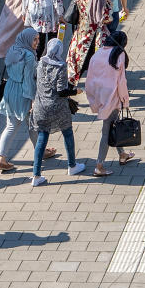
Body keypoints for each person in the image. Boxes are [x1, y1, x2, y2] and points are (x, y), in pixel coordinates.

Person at [28, 39, 86, 187]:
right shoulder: (60, 67)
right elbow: (61, 91)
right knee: (67, 133)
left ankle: (36, 175)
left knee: (42, 137)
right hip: (58, 108)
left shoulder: (41, 63)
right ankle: (72, 166)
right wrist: (76, 91)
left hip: (41, 107)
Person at [87, 28, 137, 174]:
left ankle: (122, 154)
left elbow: (89, 80)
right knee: (107, 131)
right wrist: (125, 100)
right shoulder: (119, 55)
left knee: (113, 125)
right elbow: (121, 82)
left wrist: (92, 98)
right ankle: (99, 166)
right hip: (112, 97)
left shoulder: (97, 54)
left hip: (99, 95)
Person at [0, 28, 39, 173]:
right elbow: (28, 80)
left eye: (38, 39)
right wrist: (32, 99)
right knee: (26, 124)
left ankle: (2, 157)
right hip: (22, 93)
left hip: (10, 89)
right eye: (35, 39)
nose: (38, 42)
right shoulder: (29, 57)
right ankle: (2, 159)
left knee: (17, 124)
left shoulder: (14, 49)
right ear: (27, 40)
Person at [66, 0, 112, 85]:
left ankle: (71, 81)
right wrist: (110, 9)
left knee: (78, 58)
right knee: (92, 59)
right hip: (94, 35)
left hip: (81, 31)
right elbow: (105, 18)